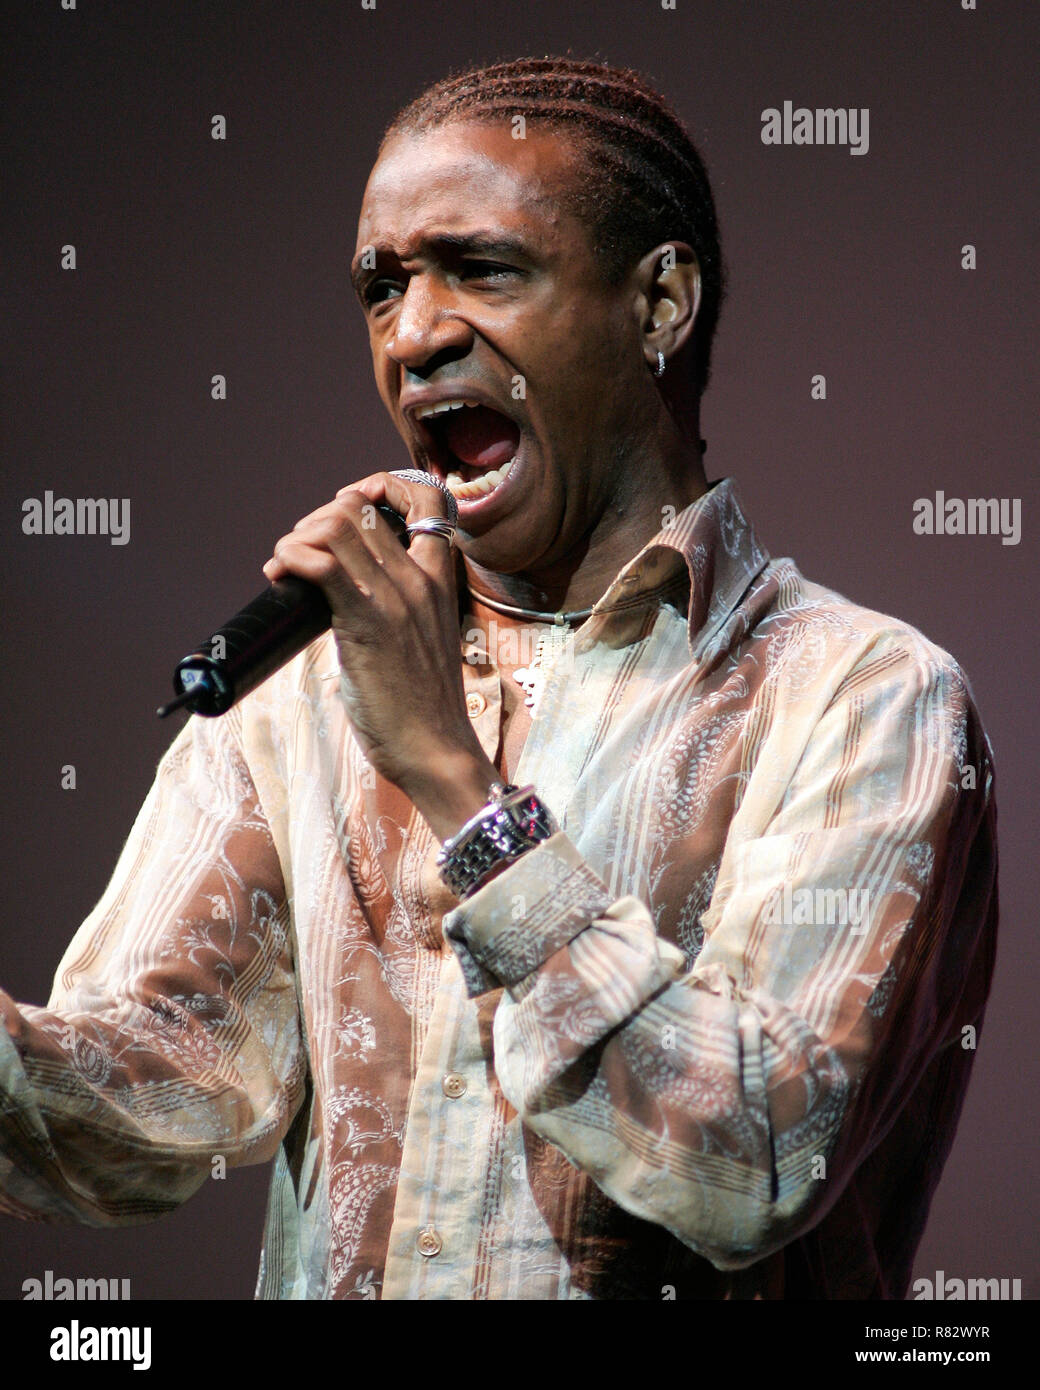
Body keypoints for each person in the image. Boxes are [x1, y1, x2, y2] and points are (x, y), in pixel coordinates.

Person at [0, 57, 997, 1300]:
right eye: (381, 287)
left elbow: (747, 1161)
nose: (413, 336)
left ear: (659, 305)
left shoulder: (865, 698)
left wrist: (450, 779)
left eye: (478, 268)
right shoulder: (302, 691)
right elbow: (141, 1112)